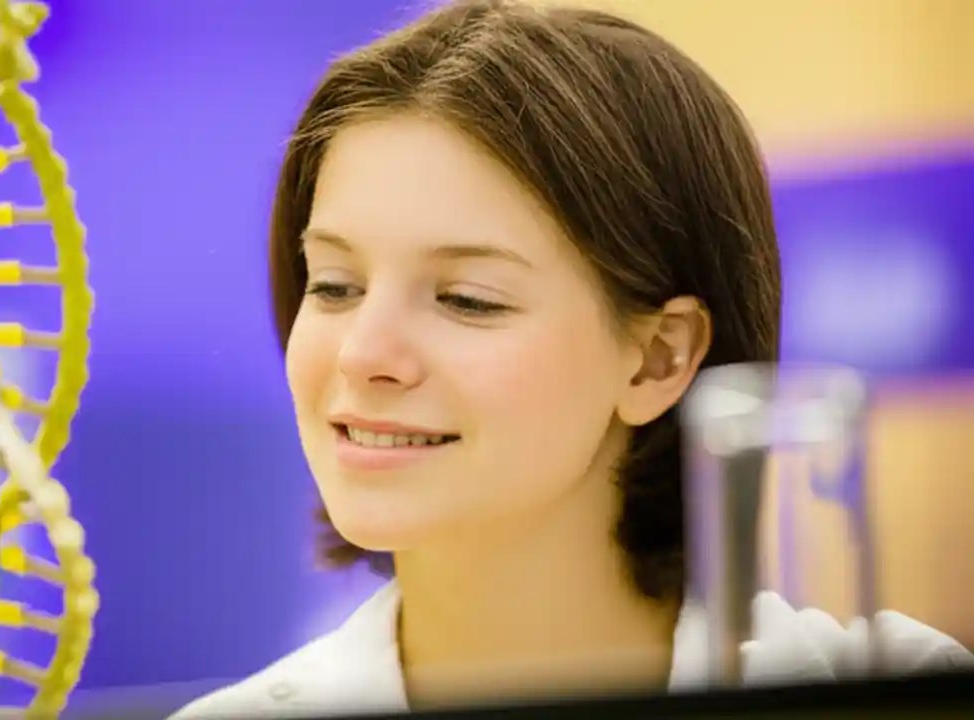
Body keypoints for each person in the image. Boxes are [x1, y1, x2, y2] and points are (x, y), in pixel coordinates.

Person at [171, 1, 972, 716]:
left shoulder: (908, 687)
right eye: (336, 285)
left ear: (659, 358)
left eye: (468, 299)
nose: (364, 355)